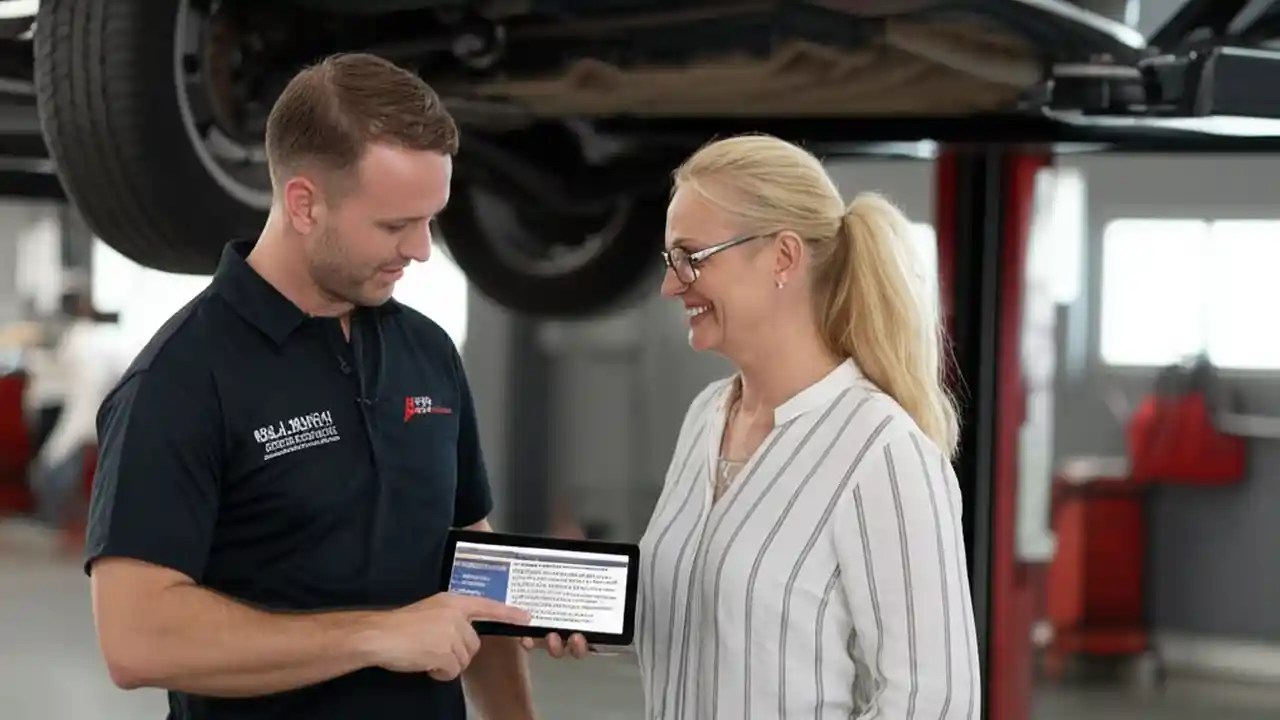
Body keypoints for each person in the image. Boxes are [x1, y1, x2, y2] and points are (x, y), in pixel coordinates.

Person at [84, 53, 535, 720]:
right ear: (304, 203)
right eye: (394, 225)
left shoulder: (427, 352)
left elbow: (471, 559)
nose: (420, 249)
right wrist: (375, 635)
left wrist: (534, 626)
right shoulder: (180, 379)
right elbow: (137, 638)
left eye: (429, 219)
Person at [531, 133, 981, 719]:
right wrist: (588, 616)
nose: (671, 285)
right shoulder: (707, 418)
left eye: (691, 257)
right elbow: (725, 619)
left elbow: (936, 701)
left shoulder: (882, 451)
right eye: (671, 261)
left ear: (783, 258)